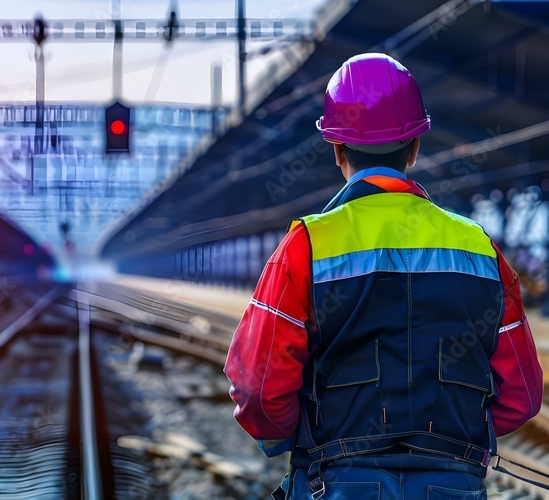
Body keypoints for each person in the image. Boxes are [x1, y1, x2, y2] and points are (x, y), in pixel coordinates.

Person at [223, 53, 543, 499]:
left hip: (331, 483)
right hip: (452, 483)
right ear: (414, 147)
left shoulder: (306, 246)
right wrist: (457, 438)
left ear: (337, 149)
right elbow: (523, 393)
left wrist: (293, 438)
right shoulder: (479, 248)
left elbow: (257, 387)